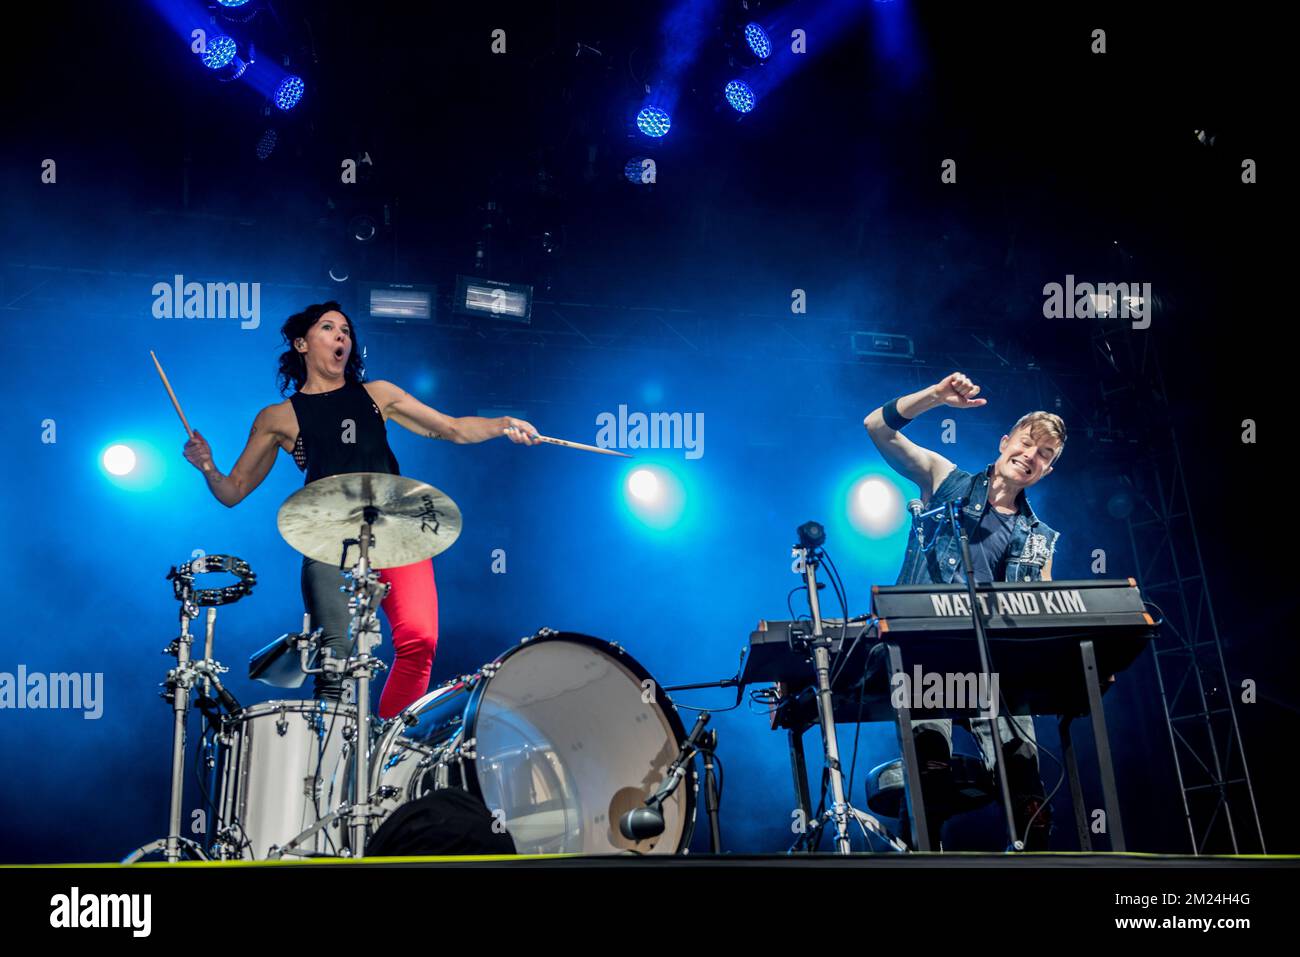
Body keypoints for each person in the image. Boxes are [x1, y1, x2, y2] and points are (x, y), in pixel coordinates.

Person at [182, 300, 540, 718]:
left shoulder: (378, 395)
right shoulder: (279, 417)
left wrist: (502, 424)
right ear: (302, 343)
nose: (341, 337)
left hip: (398, 530)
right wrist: (207, 465)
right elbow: (233, 490)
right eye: (329, 328)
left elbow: (454, 429)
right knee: (335, 657)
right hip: (330, 538)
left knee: (421, 641)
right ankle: (332, 767)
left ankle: (388, 752)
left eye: (346, 332)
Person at [863, 371, 1065, 850]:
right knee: (928, 778)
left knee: (1025, 791)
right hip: (927, 656)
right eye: (1025, 443)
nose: (1030, 456)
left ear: (1048, 470)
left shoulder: (1041, 538)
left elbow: (1045, 615)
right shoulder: (945, 481)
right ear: (1004, 442)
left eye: (1044, 455)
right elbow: (876, 426)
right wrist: (936, 397)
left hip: (997, 669)